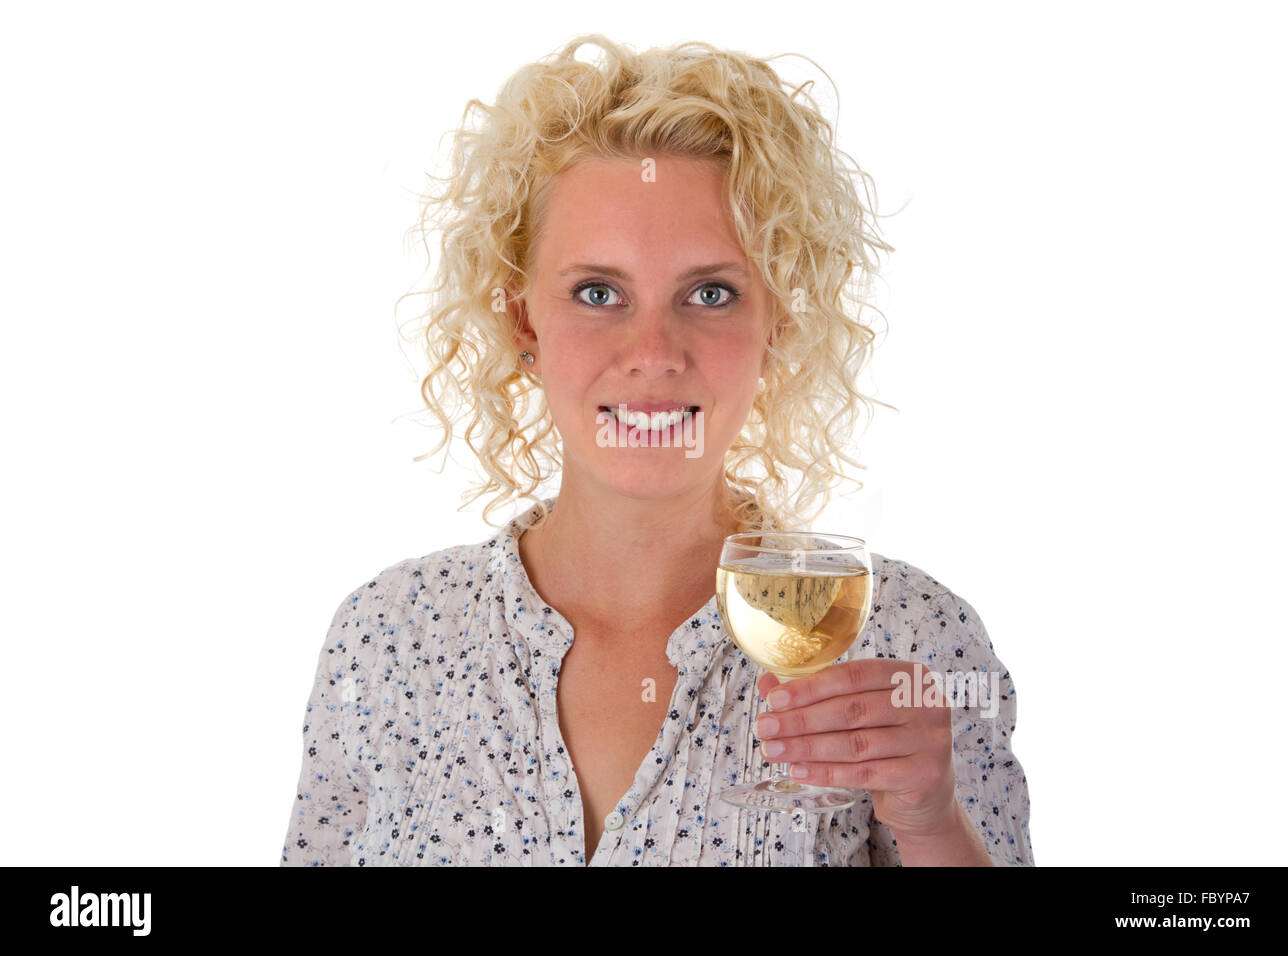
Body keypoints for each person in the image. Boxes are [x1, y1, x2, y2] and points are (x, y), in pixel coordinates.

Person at [280, 34, 1033, 867]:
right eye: (597, 293)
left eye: (710, 293)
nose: (653, 352)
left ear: (774, 327)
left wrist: (930, 824)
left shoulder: (911, 638)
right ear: (524, 323)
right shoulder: (388, 637)